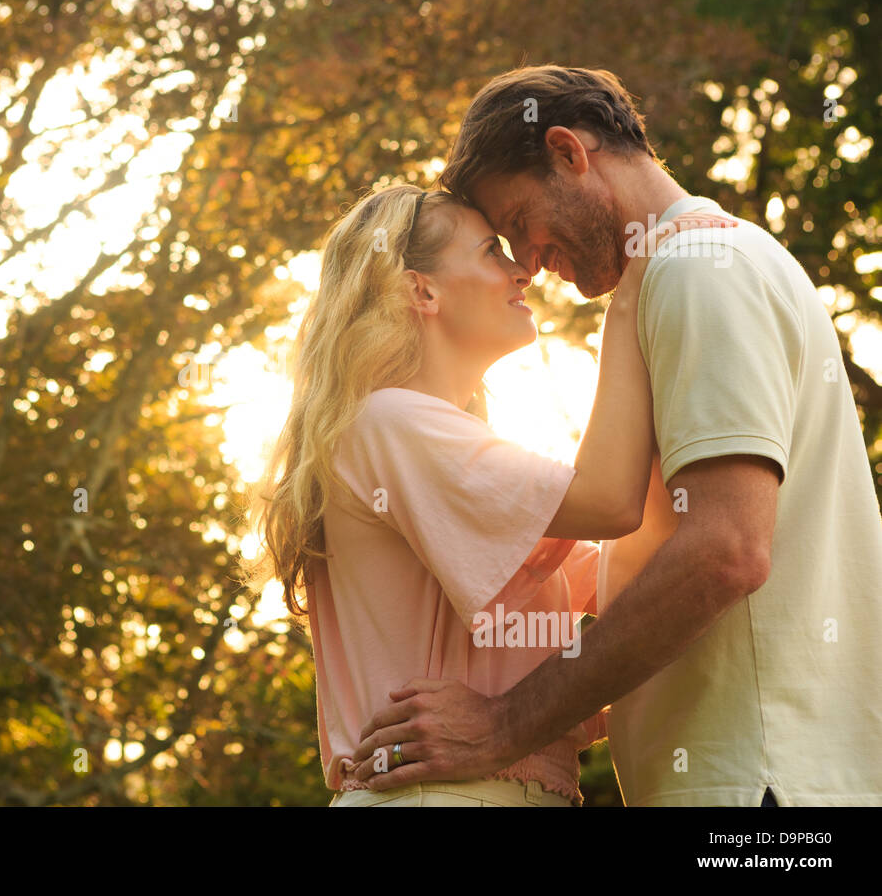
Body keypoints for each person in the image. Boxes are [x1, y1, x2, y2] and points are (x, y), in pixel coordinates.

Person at [348, 66, 882, 807]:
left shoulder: (698, 270)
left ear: (569, 152)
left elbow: (726, 550)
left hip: (757, 782)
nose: (528, 263)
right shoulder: (691, 270)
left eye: (520, 224)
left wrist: (507, 725)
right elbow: (653, 561)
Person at [244, 178, 730, 805]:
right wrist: (640, 282)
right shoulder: (391, 422)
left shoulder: (440, 447)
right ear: (422, 290)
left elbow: (615, 577)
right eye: (489, 252)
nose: (520, 272)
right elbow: (611, 502)